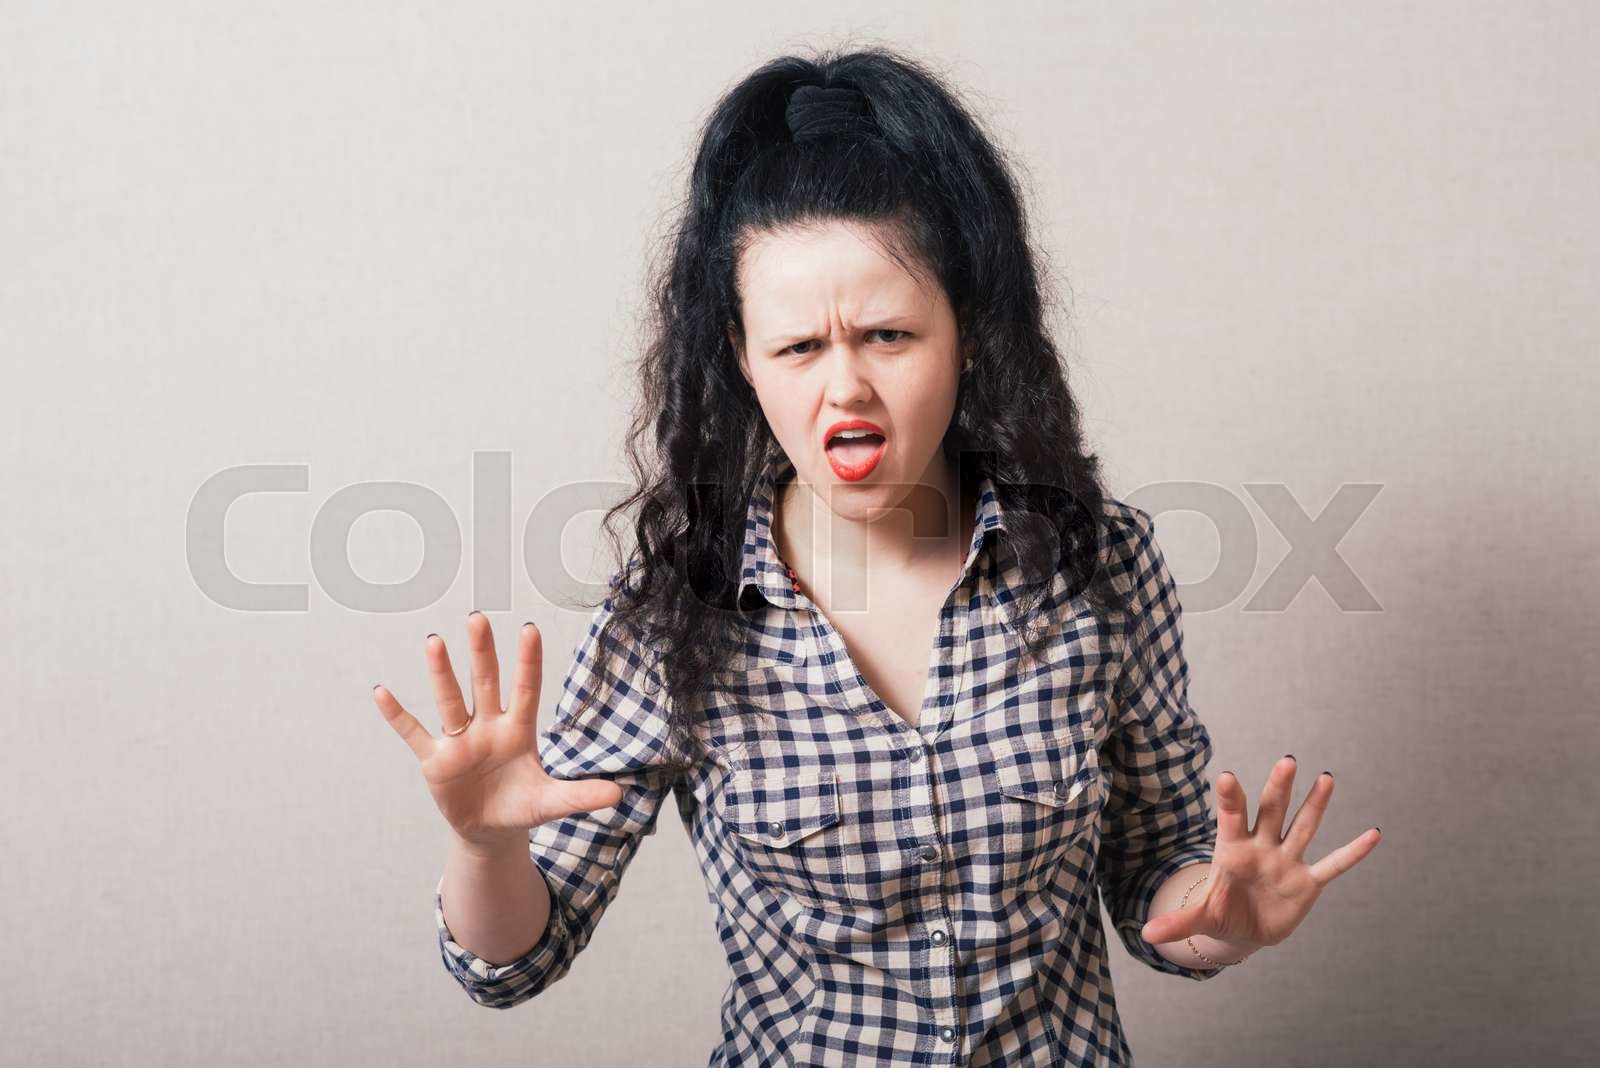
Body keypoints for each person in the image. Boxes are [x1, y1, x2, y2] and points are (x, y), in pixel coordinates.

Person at [371, 45, 1381, 1066]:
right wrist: (485, 844)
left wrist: (1224, 918)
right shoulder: (676, 613)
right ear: (739, 358)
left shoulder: (1099, 567)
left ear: (970, 333)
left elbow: (1159, 880)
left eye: (889, 335)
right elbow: (512, 962)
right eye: (799, 348)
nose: (844, 387)